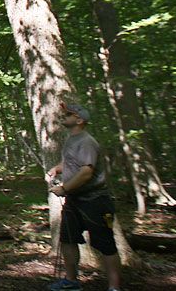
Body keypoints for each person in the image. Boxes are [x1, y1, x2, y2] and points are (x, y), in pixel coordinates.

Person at [46, 103, 122, 291]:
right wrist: (56, 169)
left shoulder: (87, 142)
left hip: (95, 201)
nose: (64, 116)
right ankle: (71, 282)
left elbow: (86, 172)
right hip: (74, 201)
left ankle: (114, 287)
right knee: (68, 239)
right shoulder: (72, 139)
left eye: (68, 114)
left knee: (105, 244)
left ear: (79, 120)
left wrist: (64, 188)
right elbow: (70, 162)